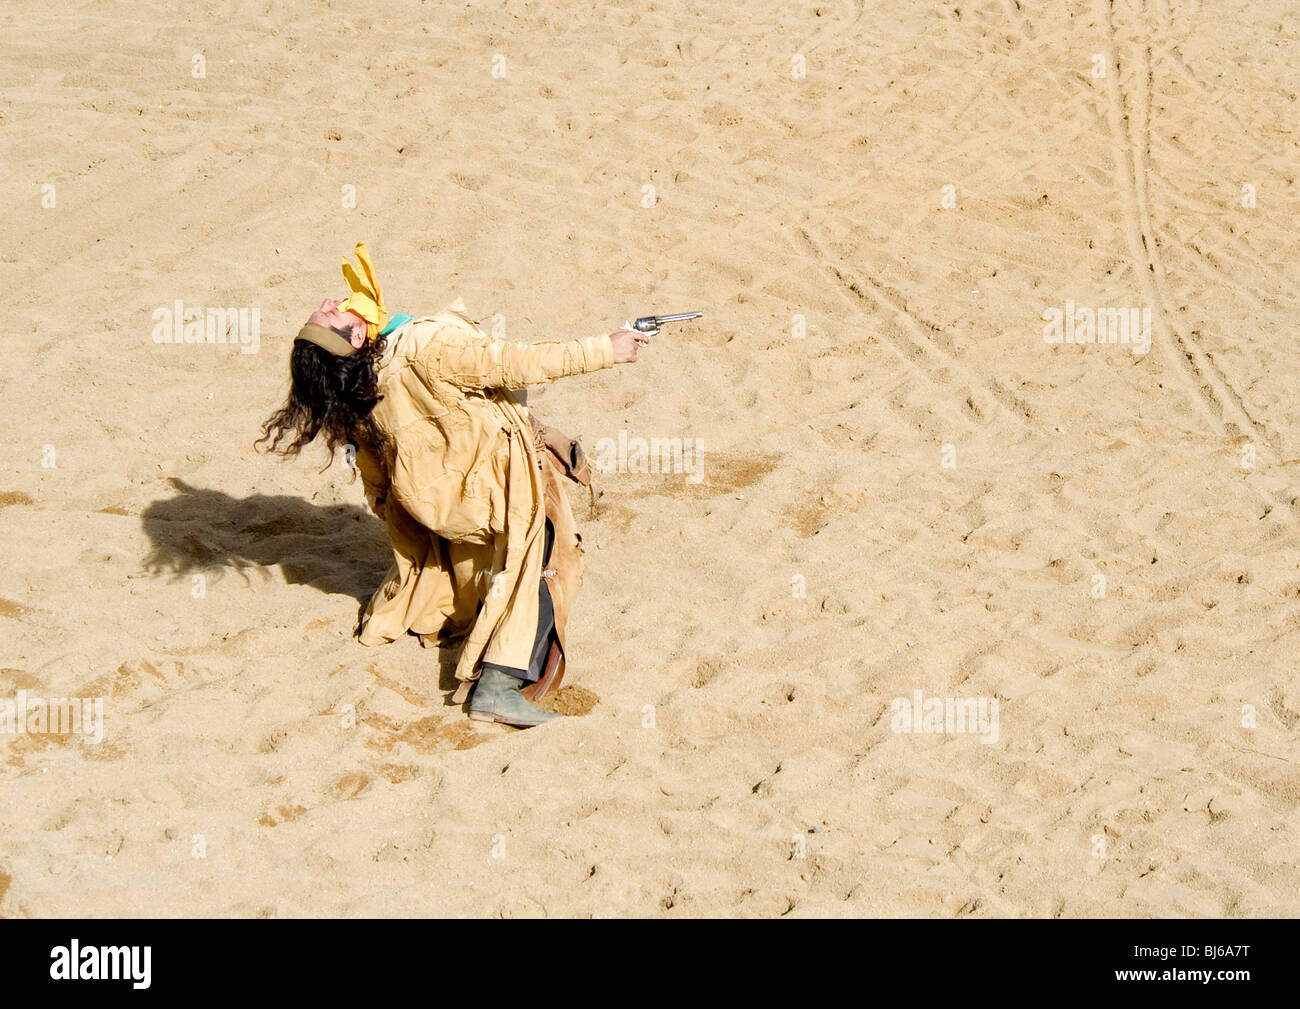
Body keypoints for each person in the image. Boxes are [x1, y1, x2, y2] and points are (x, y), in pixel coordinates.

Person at [259, 243, 648, 727]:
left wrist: (393, 512)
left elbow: (373, 471)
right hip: (492, 484)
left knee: (482, 556)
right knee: (543, 559)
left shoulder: (359, 390)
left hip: (437, 501)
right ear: (357, 335)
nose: (330, 301)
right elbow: (513, 363)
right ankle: (500, 686)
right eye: (327, 313)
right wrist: (605, 349)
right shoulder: (423, 347)